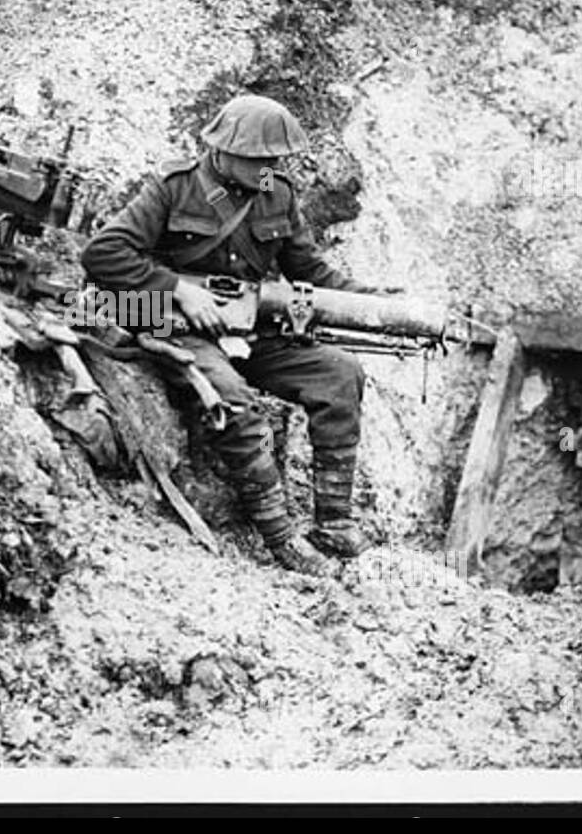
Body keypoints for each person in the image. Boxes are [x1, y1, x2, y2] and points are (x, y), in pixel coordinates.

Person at [81, 94, 381, 576]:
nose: (271, 167)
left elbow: (309, 269)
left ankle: (335, 524)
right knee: (233, 401)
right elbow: (104, 253)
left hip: (250, 329)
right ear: (223, 151)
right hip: (176, 327)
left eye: (276, 159)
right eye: (260, 159)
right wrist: (178, 290)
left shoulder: (277, 193)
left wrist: (375, 301)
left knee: (339, 373)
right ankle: (281, 539)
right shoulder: (172, 189)